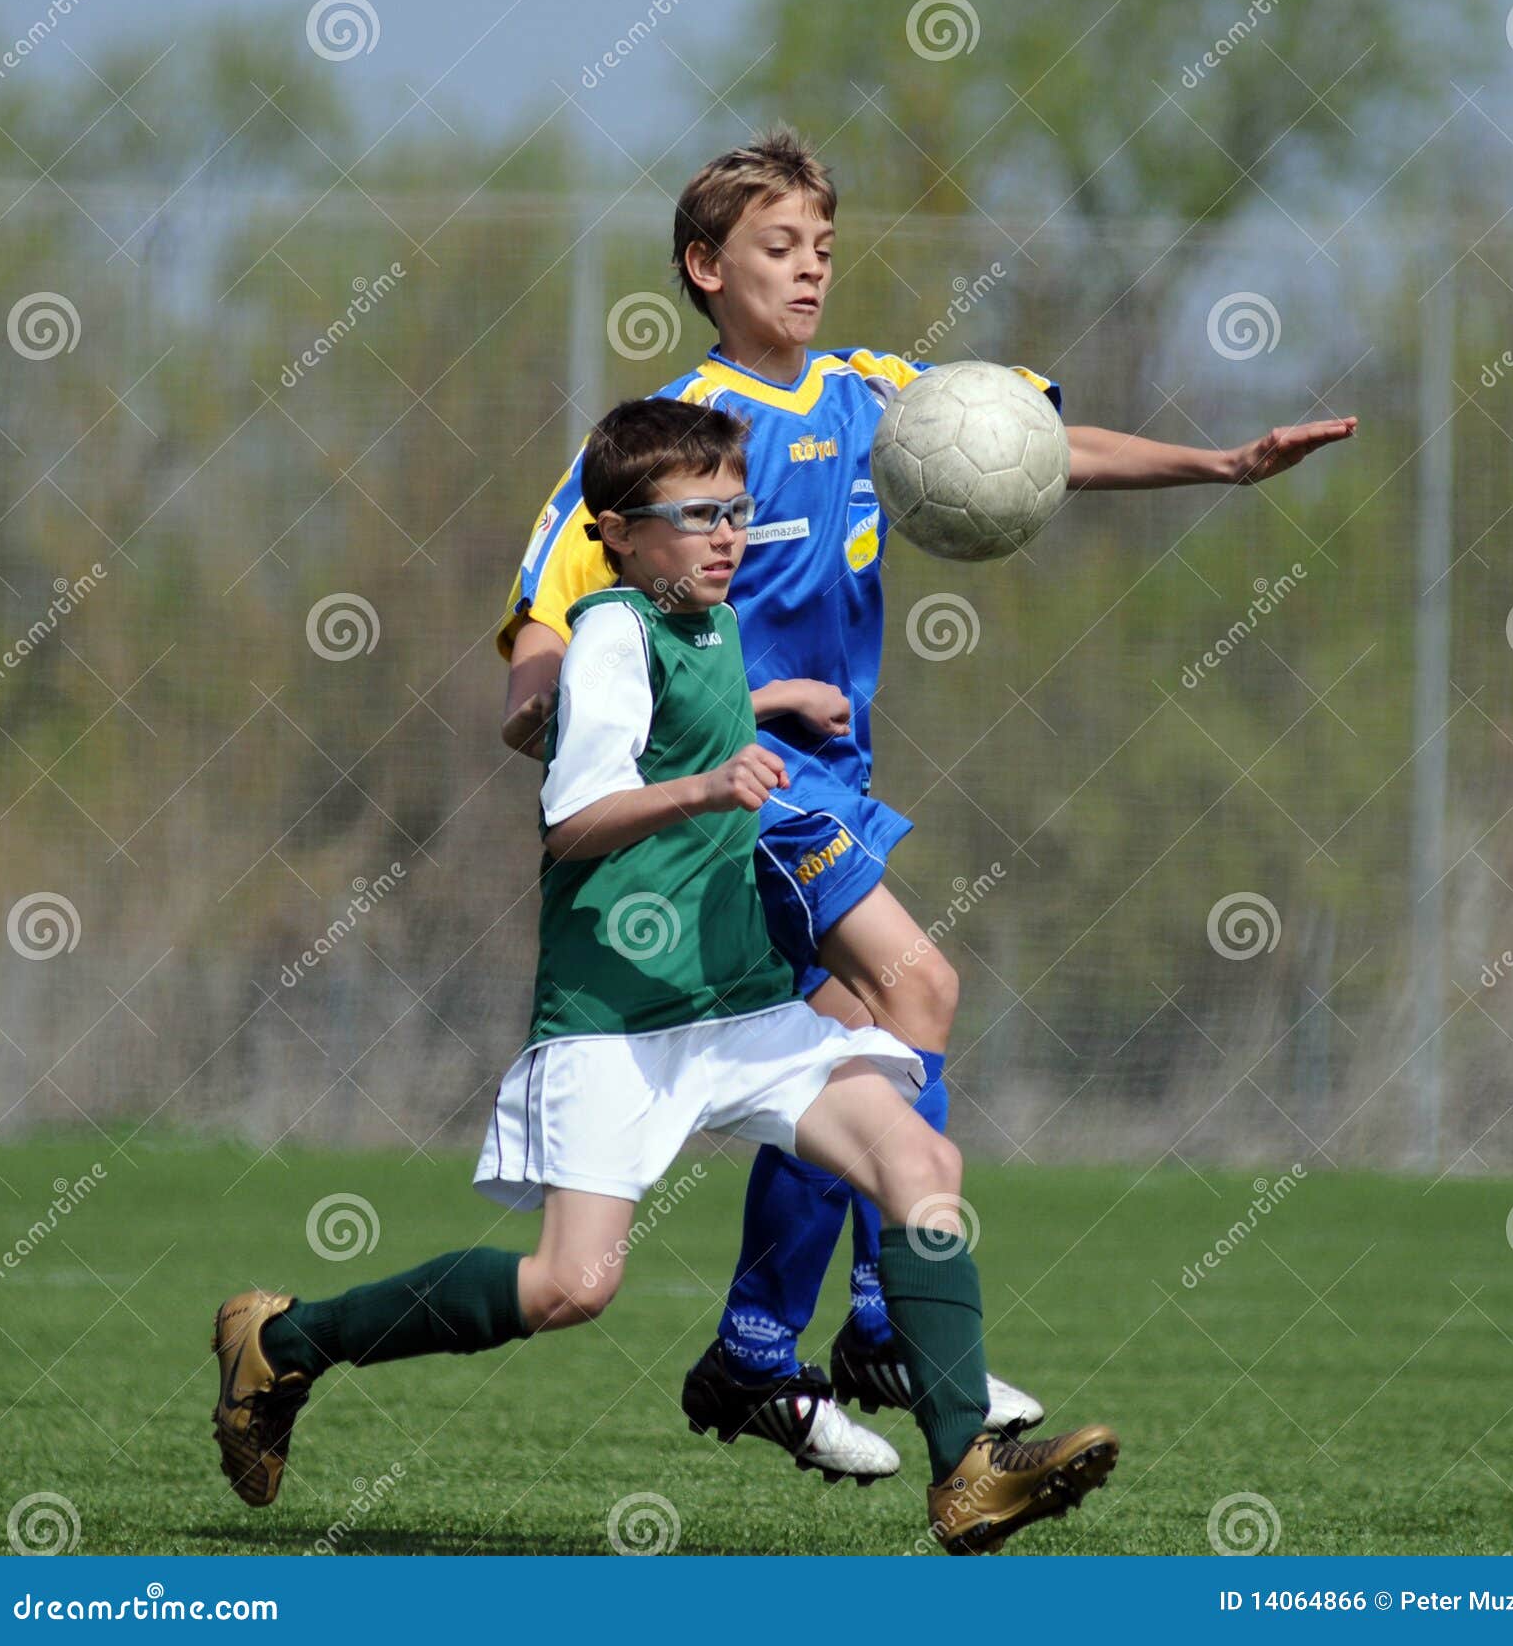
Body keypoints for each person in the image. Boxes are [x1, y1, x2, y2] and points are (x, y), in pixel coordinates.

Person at [496, 128, 1356, 1480]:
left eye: (825, 247)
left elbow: (1034, 446)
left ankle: (755, 1349)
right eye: (781, 247)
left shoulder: (880, 394)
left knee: (856, 1059)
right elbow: (553, 592)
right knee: (921, 989)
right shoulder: (678, 444)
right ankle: (885, 1329)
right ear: (705, 266)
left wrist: (1221, 466)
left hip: (833, 783)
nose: (811, 269)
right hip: (749, 802)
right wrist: (546, 696)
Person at [211, 397, 1118, 1555]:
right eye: (698, 516)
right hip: (616, 1023)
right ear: (622, 534)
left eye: (736, 510)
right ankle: (285, 1342)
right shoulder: (607, 634)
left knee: (916, 1155)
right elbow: (576, 817)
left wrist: (769, 704)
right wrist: (707, 787)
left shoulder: (713, 627)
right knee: (570, 1286)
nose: (729, 533)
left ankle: (967, 1473)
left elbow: (692, 719)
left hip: (737, 1009)